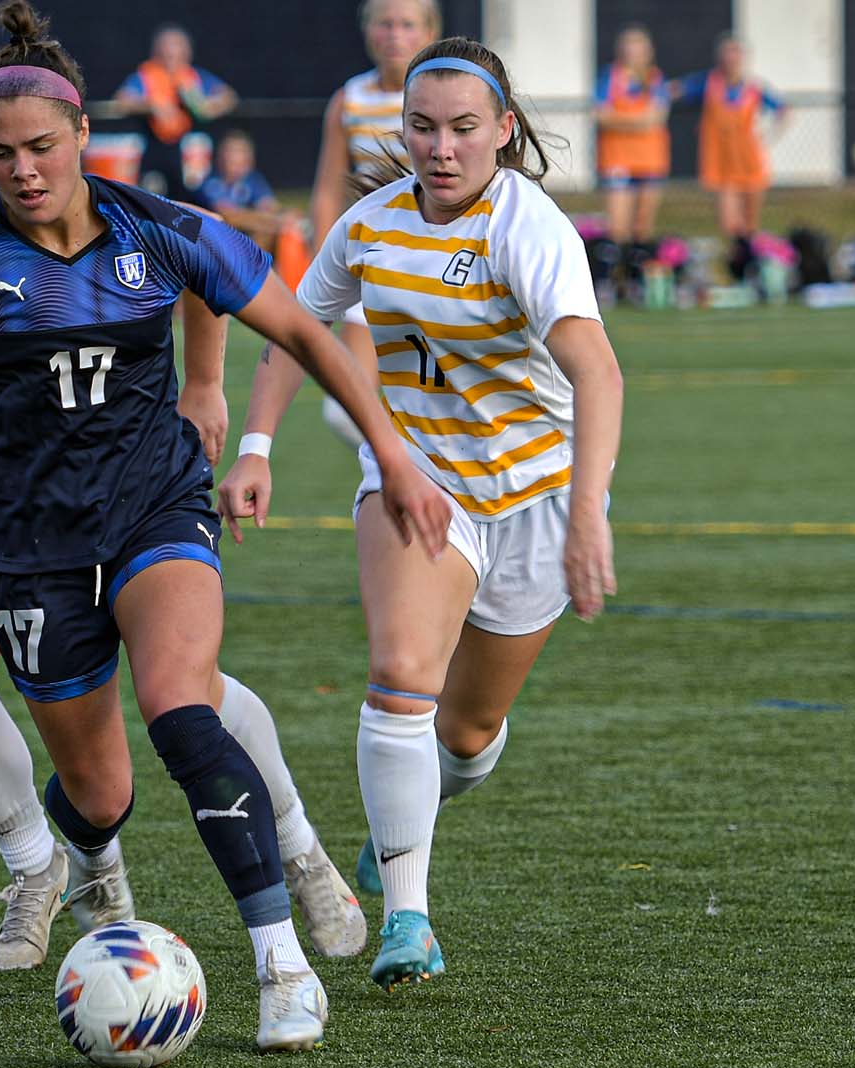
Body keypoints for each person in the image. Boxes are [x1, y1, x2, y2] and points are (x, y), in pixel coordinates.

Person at [0, 0, 450, 1049]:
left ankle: (282, 967)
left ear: (85, 135)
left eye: (42, 146)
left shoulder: (160, 230)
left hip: (153, 504)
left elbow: (306, 333)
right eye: (0, 154)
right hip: (27, 543)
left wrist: (390, 454)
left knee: (182, 708)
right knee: (100, 790)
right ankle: (82, 861)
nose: (24, 170)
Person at [219, 36, 625, 991]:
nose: (441, 148)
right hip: (417, 480)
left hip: (534, 497)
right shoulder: (369, 225)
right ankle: (410, 919)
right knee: (402, 673)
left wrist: (589, 512)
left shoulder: (528, 229)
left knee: (470, 732)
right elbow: (296, 334)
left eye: (463, 129)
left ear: (503, 132)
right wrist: (256, 447)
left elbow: (596, 369)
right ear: (401, 130)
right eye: (423, 127)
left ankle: (403, 822)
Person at [306, 0, 443, 450]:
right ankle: (406, 477)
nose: (395, 35)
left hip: (443, 264)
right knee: (345, 410)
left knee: (444, 403)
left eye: (407, 24)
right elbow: (327, 190)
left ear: (429, 30)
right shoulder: (350, 100)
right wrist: (324, 261)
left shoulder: (446, 92)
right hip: (375, 263)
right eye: (384, 24)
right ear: (368, 32)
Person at [671, 35, 788, 282]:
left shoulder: (754, 88)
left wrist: (768, 136)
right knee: (730, 223)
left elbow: (782, 109)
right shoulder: (708, 83)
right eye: (727, 54)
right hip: (720, 163)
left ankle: (749, 270)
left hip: (749, 161)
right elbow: (675, 90)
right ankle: (741, 266)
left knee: (750, 223)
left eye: (736, 55)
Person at [112, 23, 237, 198]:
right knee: (153, 195)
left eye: (177, 48)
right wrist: (151, 106)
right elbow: (123, 101)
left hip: (188, 153)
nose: (171, 54)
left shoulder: (193, 77)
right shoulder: (146, 76)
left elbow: (228, 97)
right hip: (155, 150)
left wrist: (208, 107)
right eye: (166, 48)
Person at [595, 24, 671, 285]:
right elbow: (601, 116)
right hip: (617, 159)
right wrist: (637, 120)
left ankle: (636, 281)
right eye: (629, 46)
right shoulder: (610, 77)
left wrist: (621, 118)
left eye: (638, 46)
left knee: (642, 227)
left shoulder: (655, 79)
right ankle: (608, 282)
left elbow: (656, 117)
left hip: (650, 160)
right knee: (618, 227)